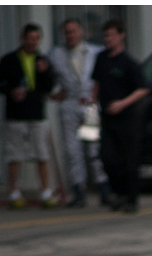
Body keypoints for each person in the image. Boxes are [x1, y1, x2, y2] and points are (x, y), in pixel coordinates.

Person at [0, 23, 58, 209]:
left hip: (36, 112)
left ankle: (46, 191)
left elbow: (49, 86)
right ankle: (14, 192)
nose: (33, 42)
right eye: (30, 38)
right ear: (23, 38)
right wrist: (10, 91)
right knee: (15, 154)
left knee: (42, 153)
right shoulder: (9, 60)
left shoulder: (42, 60)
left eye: (36, 39)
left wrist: (44, 73)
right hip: (16, 114)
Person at [91, 19, 149, 214]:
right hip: (107, 118)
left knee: (129, 161)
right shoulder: (101, 59)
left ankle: (131, 199)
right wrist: (92, 102)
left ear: (121, 36)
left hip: (127, 119)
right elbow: (97, 82)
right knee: (107, 158)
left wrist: (123, 103)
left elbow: (143, 89)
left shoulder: (129, 63)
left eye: (111, 35)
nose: (107, 39)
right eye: (105, 35)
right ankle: (119, 192)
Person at [48, 18, 103, 208]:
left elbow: (101, 77)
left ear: (81, 32)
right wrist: (53, 93)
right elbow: (48, 77)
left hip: (89, 104)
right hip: (70, 103)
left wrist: (96, 96)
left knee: (93, 147)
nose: (70, 36)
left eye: (73, 31)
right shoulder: (56, 54)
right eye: (67, 32)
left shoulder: (94, 52)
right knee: (73, 150)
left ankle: (103, 187)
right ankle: (79, 190)